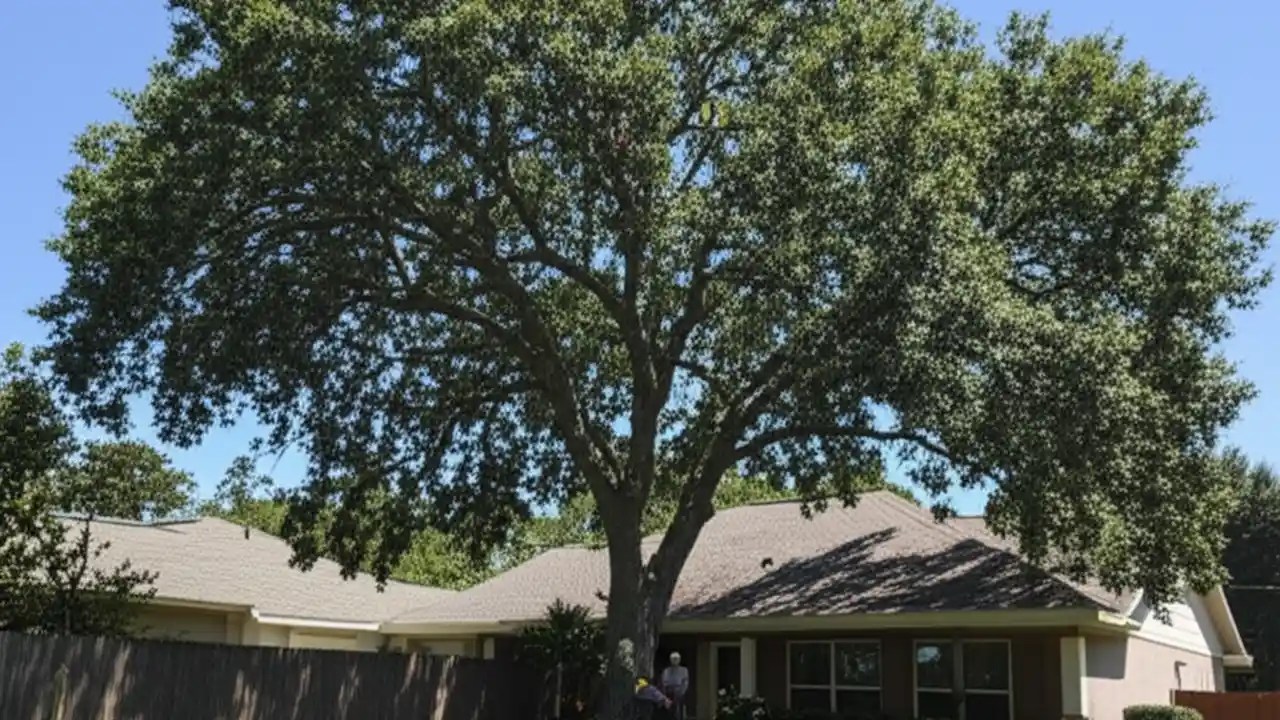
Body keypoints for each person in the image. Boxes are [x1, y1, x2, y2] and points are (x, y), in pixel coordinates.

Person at [660, 652, 689, 720]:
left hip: (679, 692)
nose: (675, 660)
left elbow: (685, 682)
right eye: (673, 659)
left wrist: (681, 691)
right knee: (669, 712)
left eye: (676, 659)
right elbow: (664, 682)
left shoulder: (684, 670)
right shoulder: (666, 670)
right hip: (669, 692)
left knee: (679, 711)